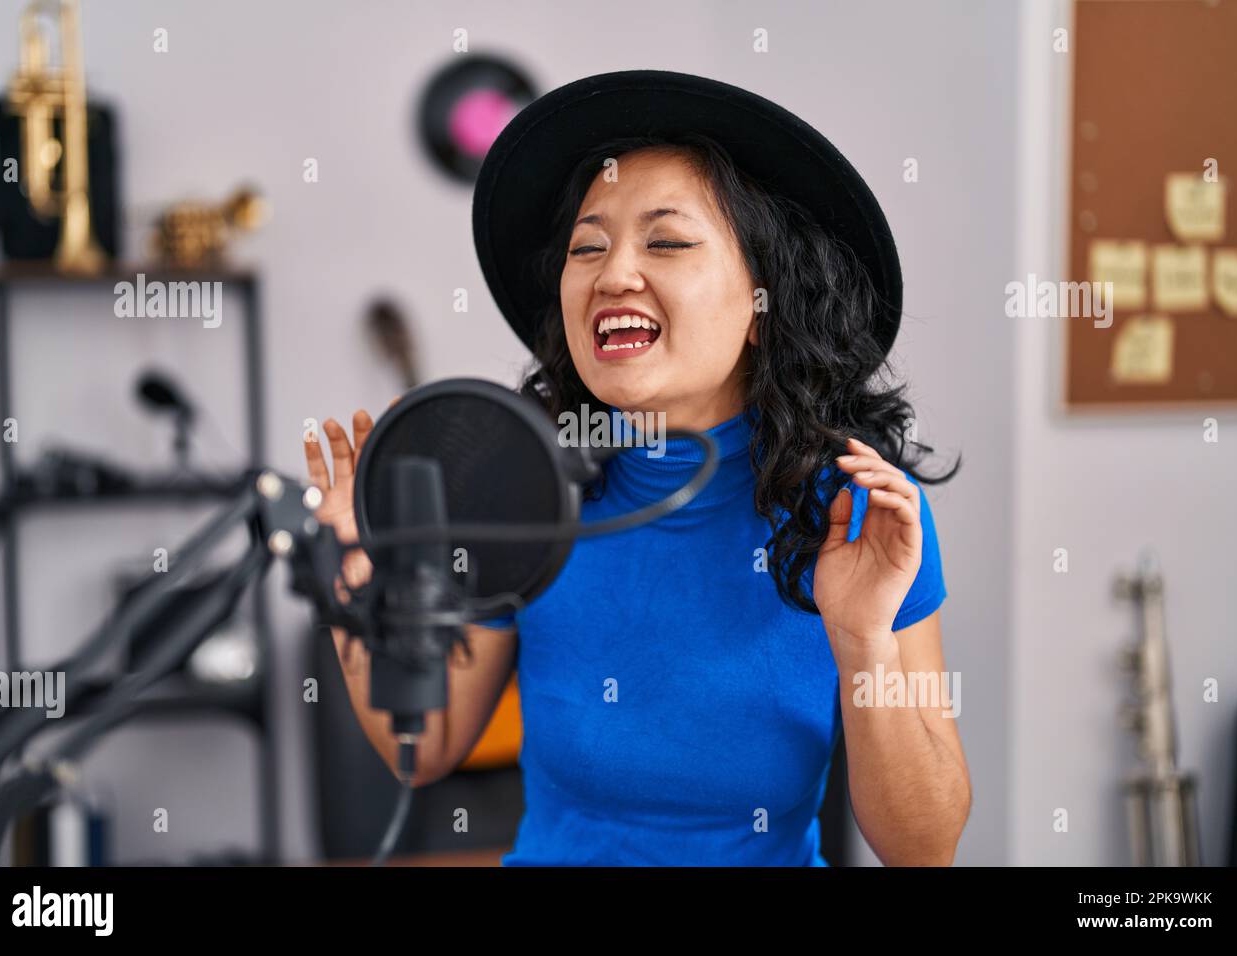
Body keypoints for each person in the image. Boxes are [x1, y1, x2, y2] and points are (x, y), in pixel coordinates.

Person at [304, 70, 970, 866]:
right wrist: (352, 572)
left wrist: (864, 643)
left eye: (668, 241)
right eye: (588, 247)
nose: (612, 274)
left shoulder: (860, 511)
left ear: (766, 307)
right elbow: (424, 747)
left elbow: (923, 849)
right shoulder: (519, 487)